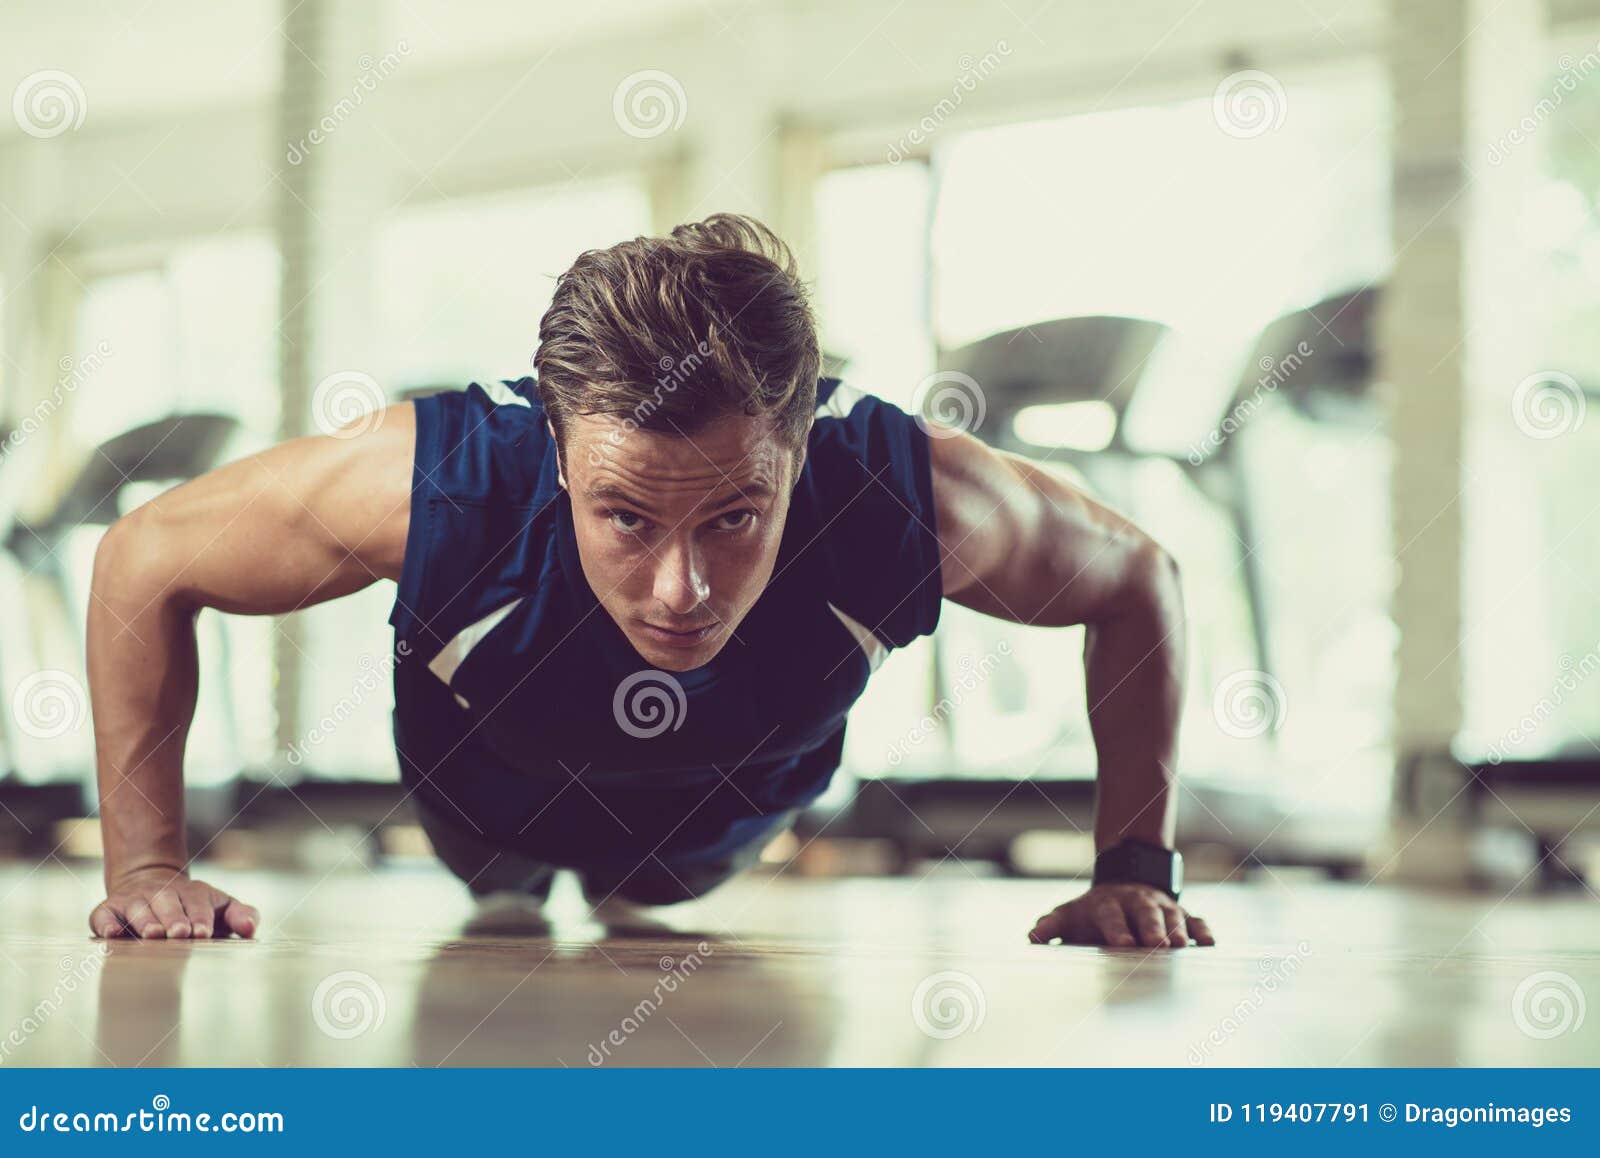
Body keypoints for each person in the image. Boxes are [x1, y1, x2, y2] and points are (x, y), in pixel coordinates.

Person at [85, 213, 1213, 950]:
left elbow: (1139, 580)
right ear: (558, 450)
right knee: (505, 905)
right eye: (626, 516)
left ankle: (637, 880)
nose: (681, 590)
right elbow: (144, 557)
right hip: (479, 803)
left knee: (649, 908)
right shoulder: (437, 483)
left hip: (720, 826)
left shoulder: (904, 494)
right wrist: (146, 866)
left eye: (734, 517)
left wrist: (1131, 867)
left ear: (800, 446)